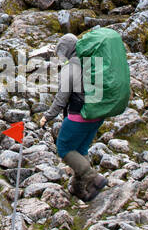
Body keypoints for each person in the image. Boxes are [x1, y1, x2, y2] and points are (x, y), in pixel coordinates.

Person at [38, 33, 108, 201]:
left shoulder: (71, 69)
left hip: (79, 115)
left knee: (64, 148)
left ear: (66, 50)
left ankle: (94, 178)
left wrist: (47, 117)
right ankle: (79, 189)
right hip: (98, 115)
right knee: (80, 150)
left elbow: (61, 99)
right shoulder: (93, 62)